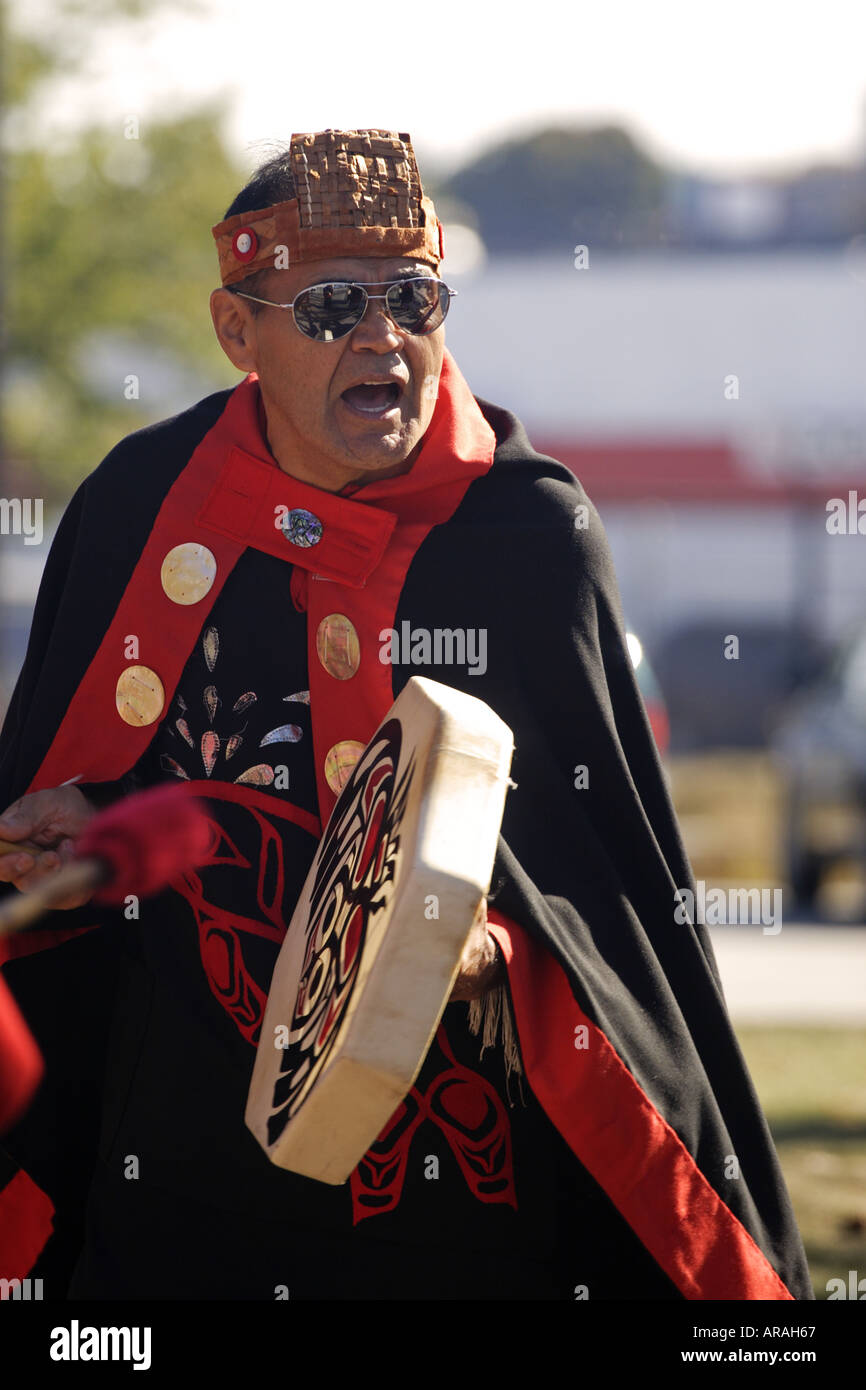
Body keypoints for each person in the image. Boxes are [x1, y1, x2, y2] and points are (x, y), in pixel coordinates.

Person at [0, 129, 812, 1300]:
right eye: (332, 307)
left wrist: (495, 946)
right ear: (240, 332)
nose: (382, 336)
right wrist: (70, 834)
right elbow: (93, 800)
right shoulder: (139, 505)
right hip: (183, 1165)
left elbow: (598, 882)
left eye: (413, 300)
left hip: (458, 1191)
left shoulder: (530, 534)